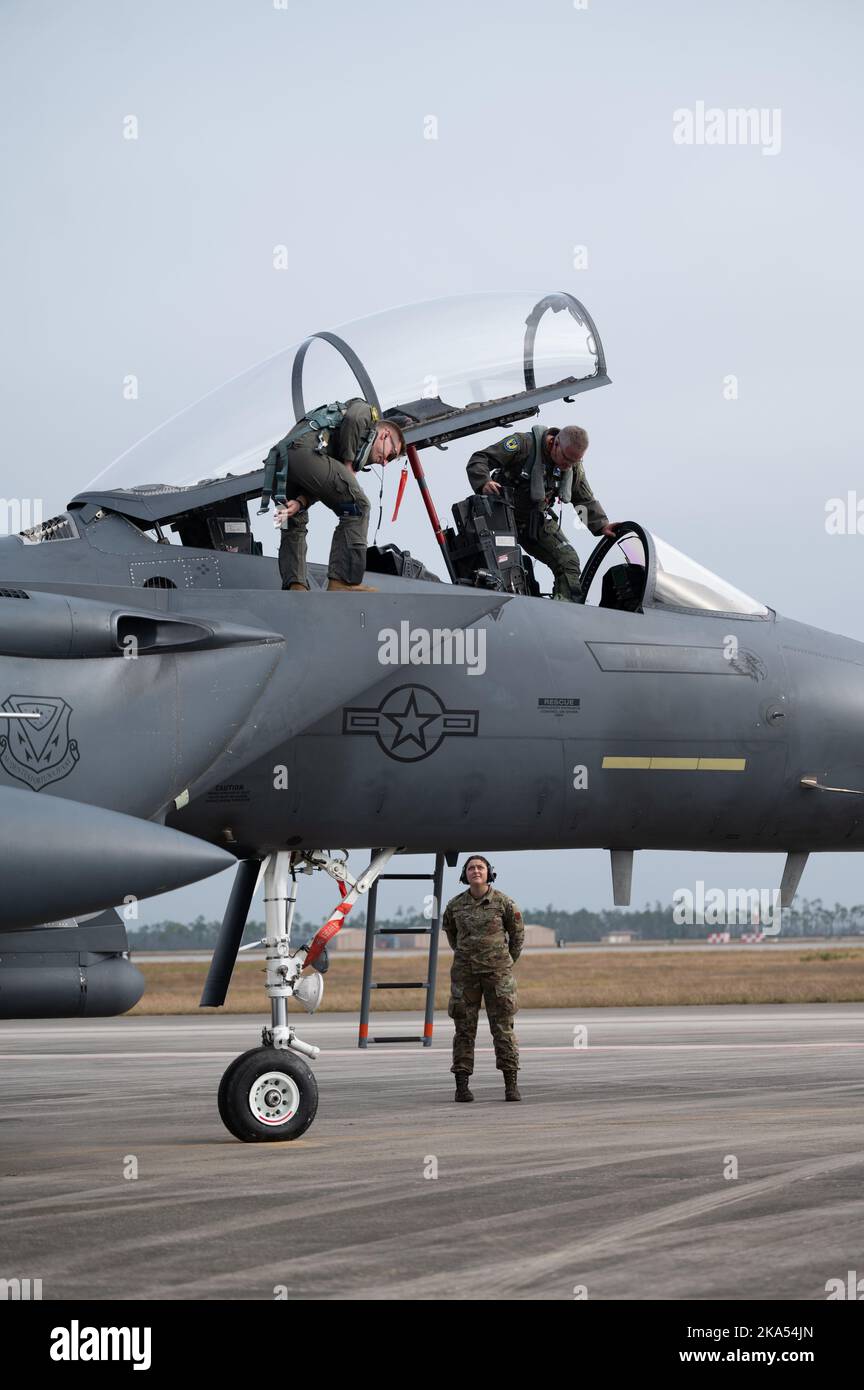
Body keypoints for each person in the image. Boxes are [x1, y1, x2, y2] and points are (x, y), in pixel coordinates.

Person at [466, 424, 619, 601]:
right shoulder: (523, 445)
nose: (567, 466)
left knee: (568, 562)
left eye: (574, 462)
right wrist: (484, 482)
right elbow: (480, 459)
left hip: (534, 521)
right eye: (566, 459)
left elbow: (583, 499)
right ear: (555, 443)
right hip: (499, 519)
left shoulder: (572, 467)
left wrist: (602, 525)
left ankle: (562, 611)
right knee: (494, 572)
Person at [271, 400, 405, 592]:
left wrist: (301, 503)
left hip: (279, 466)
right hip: (303, 453)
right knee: (358, 507)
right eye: (391, 454)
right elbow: (355, 417)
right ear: (384, 435)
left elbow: (320, 481)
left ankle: (295, 585)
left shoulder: (334, 437)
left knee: (291, 522)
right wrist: (349, 465)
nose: (385, 463)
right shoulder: (367, 412)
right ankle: (343, 580)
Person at [442, 854, 524, 1102]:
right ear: (464, 875)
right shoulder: (455, 905)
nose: (475, 871)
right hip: (465, 977)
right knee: (464, 1031)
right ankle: (462, 1086)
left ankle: (511, 1084)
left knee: (503, 1030)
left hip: (497, 976)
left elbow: (517, 936)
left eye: (480, 867)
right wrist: (469, 958)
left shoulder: (504, 903)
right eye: (470, 868)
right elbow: (453, 937)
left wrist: (502, 962)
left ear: (489, 873)